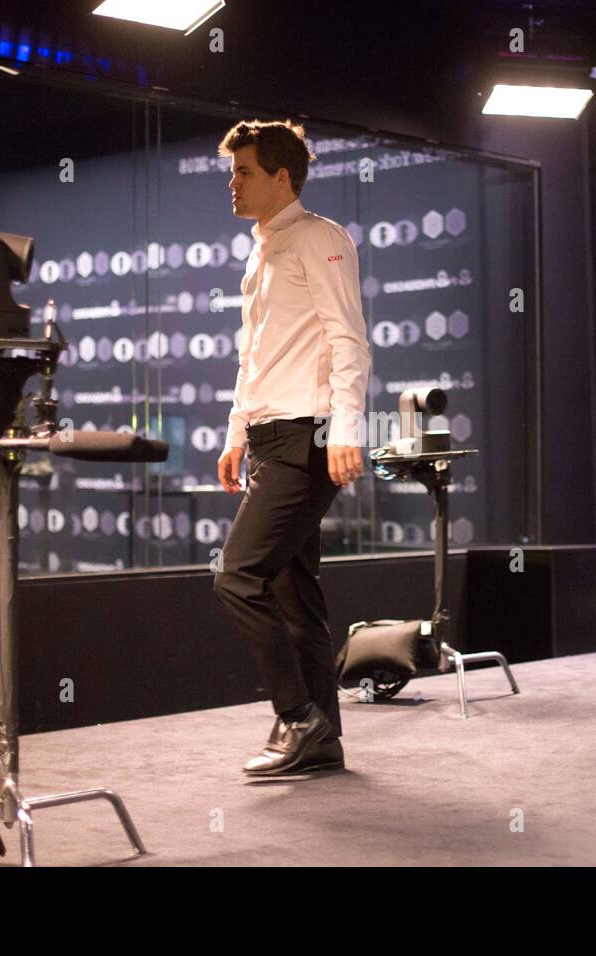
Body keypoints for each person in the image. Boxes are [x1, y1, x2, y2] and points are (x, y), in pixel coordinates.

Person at [213, 119, 371, 776]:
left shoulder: (320, 239)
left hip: (308, 436)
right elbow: (256, 360)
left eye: (244, 171)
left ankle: (296, 717)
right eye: (233, 170)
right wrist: (235, 434)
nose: (233, 182)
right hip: (270, 435)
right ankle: (324, 737)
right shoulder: (261, 250)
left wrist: (347, 429)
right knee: (290, 590)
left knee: (237, 576)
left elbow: (349, 341)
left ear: (282, 177)